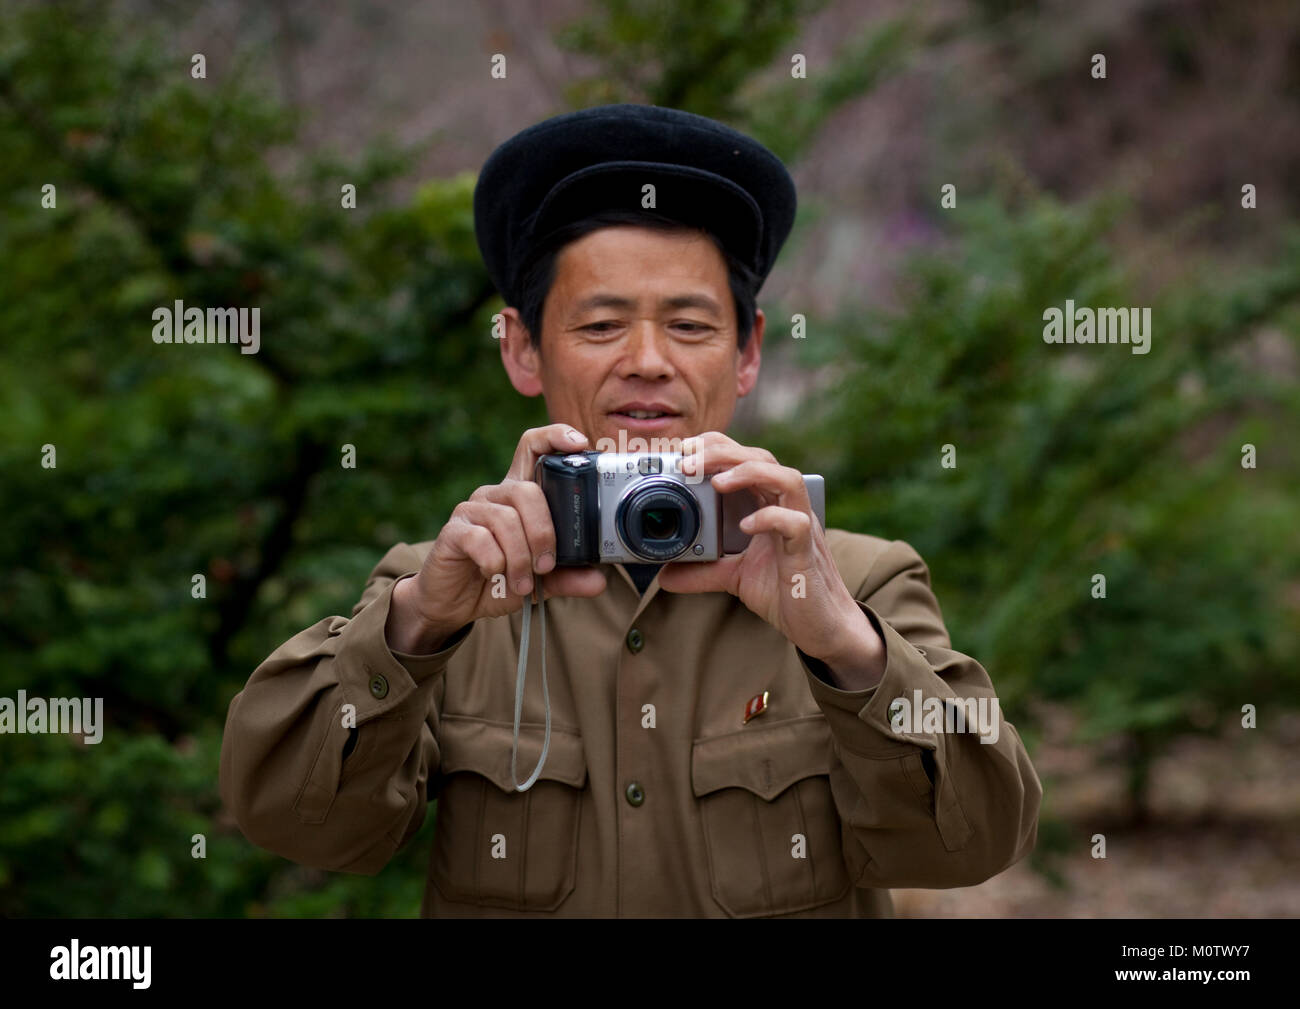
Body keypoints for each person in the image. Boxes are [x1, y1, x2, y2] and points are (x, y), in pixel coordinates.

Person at [219, 103, 1042, 917]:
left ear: (748, 350)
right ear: (522, 348)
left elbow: (973, 843)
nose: (647, 362)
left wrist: (850, 650)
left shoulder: (856, 580)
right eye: (602, 323)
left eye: (689, 324)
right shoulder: (452, 589)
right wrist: (412, 632)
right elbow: (301, 828)